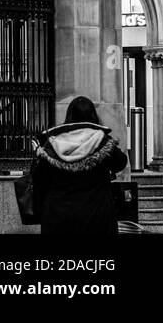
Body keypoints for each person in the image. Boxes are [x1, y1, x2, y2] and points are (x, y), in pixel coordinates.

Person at [29, 96, 128, 235]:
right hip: (97, 216)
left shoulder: (52, 143)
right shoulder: (102, 141)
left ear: (69, 116)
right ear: (93, 115)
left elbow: (39, 178)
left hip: (58, 216)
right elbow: (121, 163)